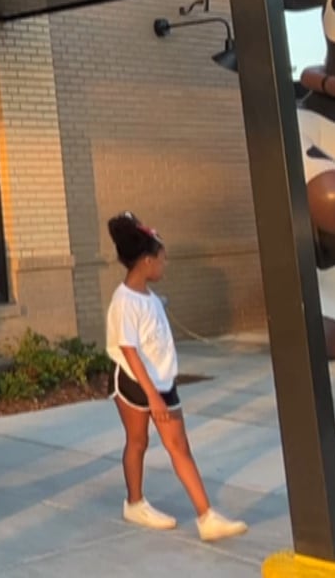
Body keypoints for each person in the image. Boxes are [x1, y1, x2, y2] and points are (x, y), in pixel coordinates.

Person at [105, 213, 248, 542]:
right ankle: (135, 503)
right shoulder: (124, 301)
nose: (165, 264)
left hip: (162, 381)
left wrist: (160, 389)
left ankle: (206, 517)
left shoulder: (149, 298)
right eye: (162, 258)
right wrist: (152, 396)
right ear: (146, 261)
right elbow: (129, 350)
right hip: (135, 382)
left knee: (179, 445)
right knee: (138, 441)